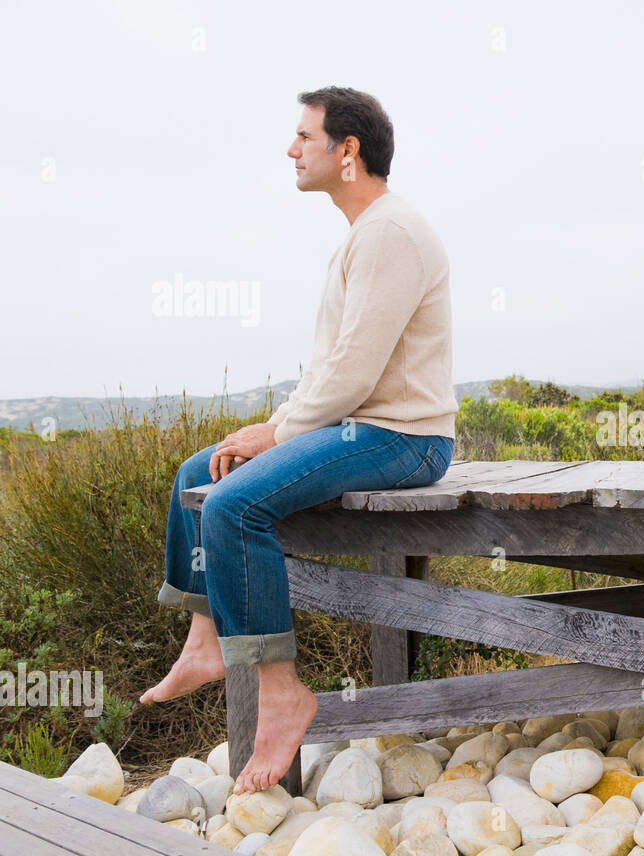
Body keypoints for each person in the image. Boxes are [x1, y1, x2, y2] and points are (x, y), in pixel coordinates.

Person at [141, 87, 457, 796]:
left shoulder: (390, 234)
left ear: (348, 152)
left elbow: (353, 371)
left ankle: (284, 692)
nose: (291, 149)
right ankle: (205, 638)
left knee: (230, 505)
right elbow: (332, 369)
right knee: (200, 468)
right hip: (360, 425)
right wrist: (275, 428)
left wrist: (279, 432)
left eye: (304, 137)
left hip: (403, 438)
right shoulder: (365, 234)